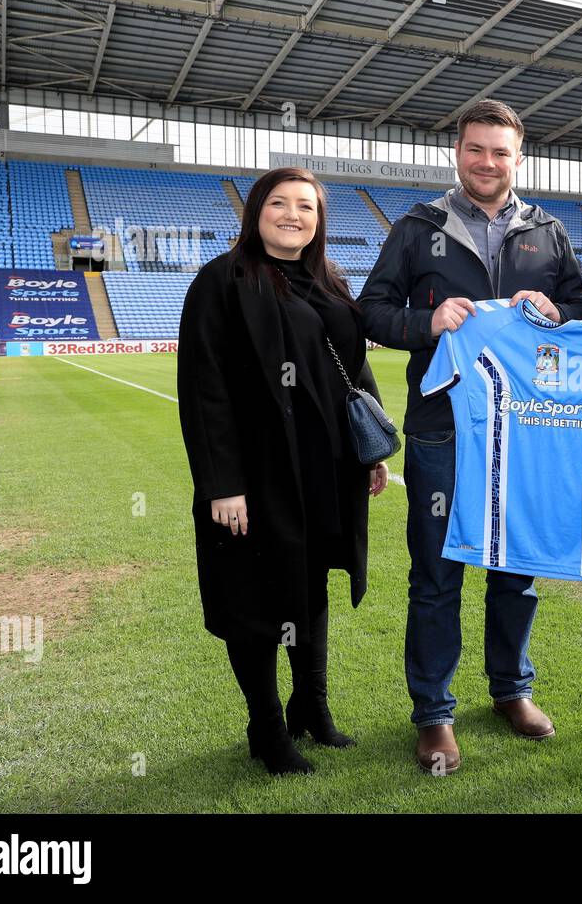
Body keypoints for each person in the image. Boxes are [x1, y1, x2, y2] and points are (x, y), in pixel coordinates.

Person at [358, 98, 582, 775]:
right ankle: (434, 713)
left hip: (528, 430)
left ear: (519, 158)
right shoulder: (416, 227)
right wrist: (427, 322)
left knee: (516, 570)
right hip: (443, 429)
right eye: (475, 149)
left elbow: (581, 309)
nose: (487, 162)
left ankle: (511, 689)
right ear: (456, 152)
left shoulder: (548, 232)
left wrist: (556, 309)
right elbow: (372, 310)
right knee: (438, 573)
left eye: (500, 151)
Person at [178, 166, 390, 776]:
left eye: (307, 206)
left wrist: (368, 450)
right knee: (253, 596)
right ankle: (267, 727)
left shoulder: (329, 280)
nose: (293, 215)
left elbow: (354, 370)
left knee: (310, 582)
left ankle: (311, 709)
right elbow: (204, 389)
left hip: (324, 467)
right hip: (256, 470)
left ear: (319, 220)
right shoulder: (221, 281)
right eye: (279, 203)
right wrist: (222, 485)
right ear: (256, 211)